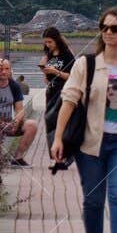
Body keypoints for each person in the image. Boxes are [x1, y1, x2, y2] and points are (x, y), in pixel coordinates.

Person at [51, 7, 117, 233]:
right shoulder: (86, 64)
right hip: (91, 142)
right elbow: (69, 101)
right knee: (93, 199)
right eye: (104, 27)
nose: (108, 32)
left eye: (114, 28)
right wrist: (58, 138)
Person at [38, 28, 76, 171]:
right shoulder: (48, 54)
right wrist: (45, 72)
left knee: (61, 123)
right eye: (46, 42)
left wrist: (56, 72)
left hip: (63, 93)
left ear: (57, 40)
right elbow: (47, 76)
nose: (47, 45)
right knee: (50, 123)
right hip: (51, 92)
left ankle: (65, 156)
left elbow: (72, 76)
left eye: (50, 42)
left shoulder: (66, 54)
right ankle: (56, 157)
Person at [0, 58, 40, 166]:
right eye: (1, 69)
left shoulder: (14, 86)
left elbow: (19, 109)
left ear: (10, 70)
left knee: (32, 125)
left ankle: (18, 159)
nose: (4, 72)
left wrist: (16, 122)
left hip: (8, 123)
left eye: (7, 69)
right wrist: (0, 123)